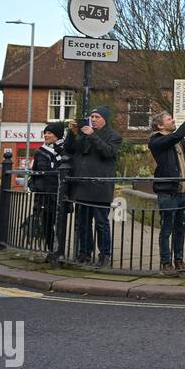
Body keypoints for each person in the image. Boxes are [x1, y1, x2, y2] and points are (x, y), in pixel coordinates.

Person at [148, 103, 185, 276]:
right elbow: (177, 135)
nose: (173, 120)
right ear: (160, 125)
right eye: (169, 119)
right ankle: (166, 263)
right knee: (166, 229)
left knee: (180, 229)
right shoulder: (157, 141)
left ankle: (179, 260)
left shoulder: (179, 141)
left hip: (182, 192)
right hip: (167, 192)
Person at [64, 106, 122, 267]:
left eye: (97, 117)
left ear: (104, 119)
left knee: (101, 223)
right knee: (83, 223)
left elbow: (108, 153)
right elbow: (70, 150)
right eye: (92, 116)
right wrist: (72, 133)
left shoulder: (114, 136)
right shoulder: (83, 134)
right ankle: (84, 253)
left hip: (100, 186)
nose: (94, 119)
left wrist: (93, 135)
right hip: (83, 185)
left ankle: (105, 254)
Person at [29, 122, 65, 254]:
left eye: (50, 133)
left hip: (58, 194)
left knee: (60, 224)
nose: (46, 135)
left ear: (57, 135)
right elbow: (35, 171)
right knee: (46, 223)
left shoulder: (64, 150)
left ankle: (59, 251)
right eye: (45, 133)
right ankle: (52, 251)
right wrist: (33, 185)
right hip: (43, 194)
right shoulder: (39, 152)